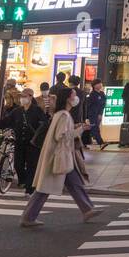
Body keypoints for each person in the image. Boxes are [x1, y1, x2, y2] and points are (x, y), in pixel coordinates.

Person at [20, 92, 105, 228]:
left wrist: (76, 127)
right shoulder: (64, 115)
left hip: (60, 156)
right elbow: (62, 135)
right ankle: (28, 217)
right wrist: (80, 130)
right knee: (45, 187)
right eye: (73, 95)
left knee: (73, 182)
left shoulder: (60, 114)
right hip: (59, 156)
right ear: (67, 99)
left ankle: (87, 209)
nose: (75, 98)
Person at [0, 90, 47, 194]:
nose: (22, 99)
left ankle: (30, 188)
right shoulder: (17, 111)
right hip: (20, 141)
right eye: (21, 97)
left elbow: (44, 125)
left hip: (33, 144)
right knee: (18, 165)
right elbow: (6, 121)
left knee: (31, 166)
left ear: (30, 97)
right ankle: (24, 181)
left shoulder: (37, 110)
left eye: (24, 96)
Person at [84, 81, 107, 149]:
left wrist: (100, 113)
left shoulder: (102, 94)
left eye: (101, 83)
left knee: (92, 128)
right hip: (92, 114)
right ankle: (101, 143)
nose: (100, 85)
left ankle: (84, 142)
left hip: (99, 114)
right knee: (95, 128)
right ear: (94, 86)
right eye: (98, 83)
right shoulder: (92, 94)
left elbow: (103, 104)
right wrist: (87, 116)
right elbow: (89, 106)